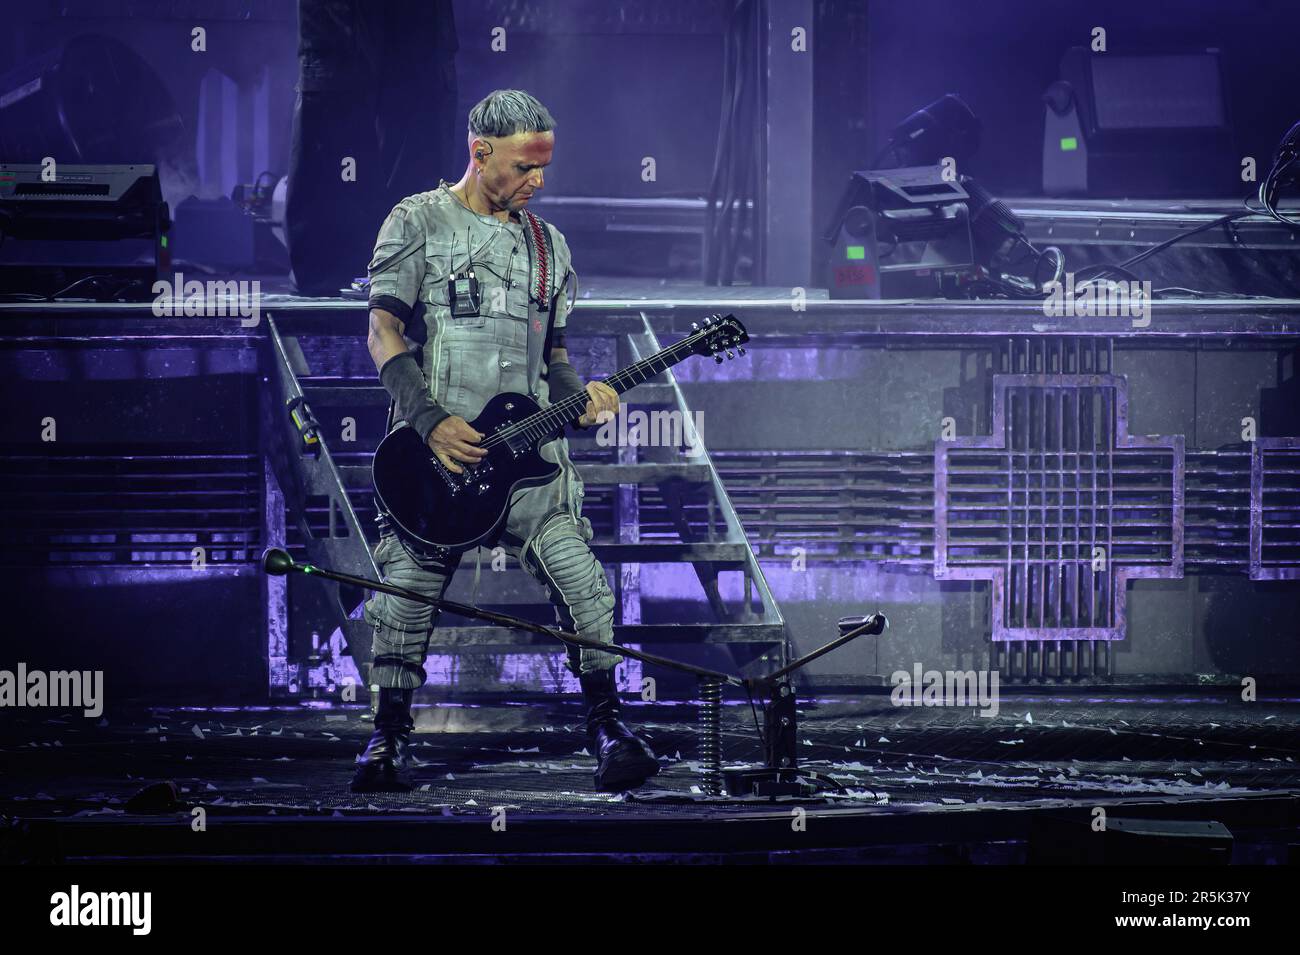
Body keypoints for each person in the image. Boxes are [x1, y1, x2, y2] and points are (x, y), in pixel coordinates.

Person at [353, 89, 660, 794]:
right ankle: (388, 735)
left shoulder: (549, 247)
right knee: (403, 592)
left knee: (583, 580)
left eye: (545, 166)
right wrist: (429, 420)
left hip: (528, 463)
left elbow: (553, 358)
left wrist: (582, 398)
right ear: (479, 152)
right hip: (436, 457)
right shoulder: (417, 222)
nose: (539, 181)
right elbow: (382, 332)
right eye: (526, 166)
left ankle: (608, 727)